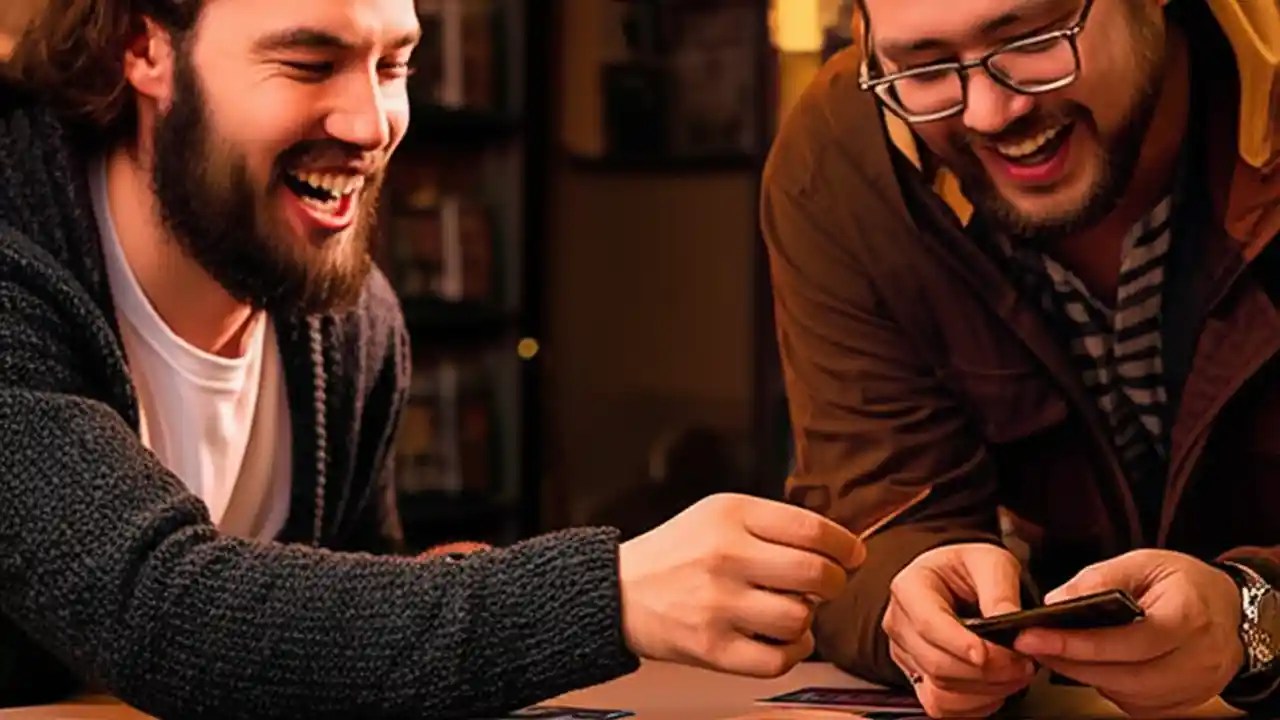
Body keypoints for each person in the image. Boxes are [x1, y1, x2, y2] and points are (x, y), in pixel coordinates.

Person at [0, 0, 870, 716]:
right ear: (143, 48)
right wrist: (611, 594)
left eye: (394, 66)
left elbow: (323, 638)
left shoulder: (352, 323)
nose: (371, 123)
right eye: (309, 64)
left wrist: (428, 592)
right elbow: (163, 614)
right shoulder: (14, 262)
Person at [761, 0, 1279, 717]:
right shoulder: (844, 159)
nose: (989, 113)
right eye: (924, 66)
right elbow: (871, 518)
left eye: (1033, 39)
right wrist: (916, 603)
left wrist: (1256, 615)